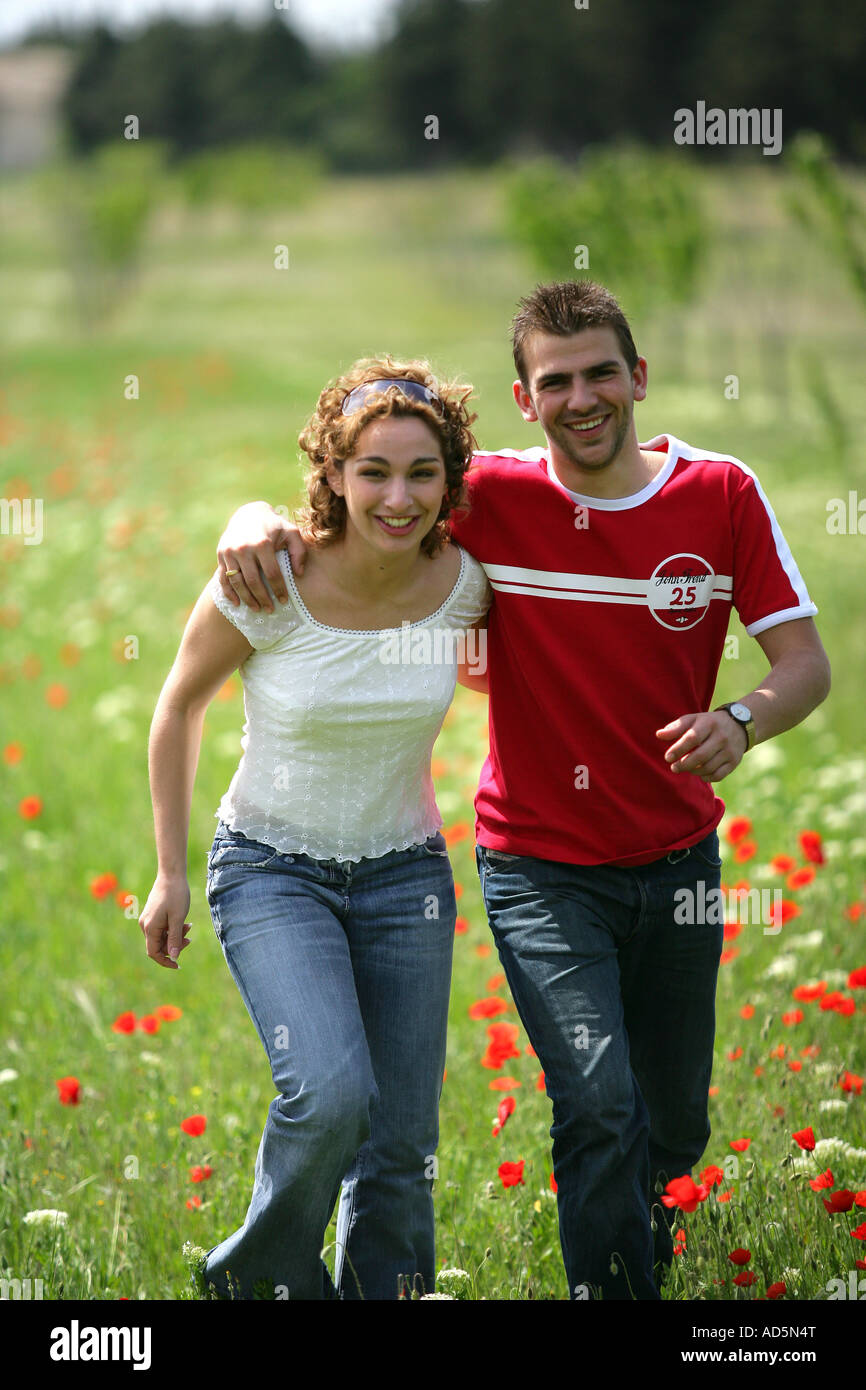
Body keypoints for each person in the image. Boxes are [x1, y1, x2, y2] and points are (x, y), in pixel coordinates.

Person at [213, 280, 831, 1301]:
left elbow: (802, 662)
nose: (581, 397)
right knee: (596, 1101)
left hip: (679, 860)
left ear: (637, 378)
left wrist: (740, 718)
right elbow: (361, 488)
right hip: (537, 864)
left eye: (599, 373)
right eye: (555, 382)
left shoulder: (718, 494)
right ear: (522, 398)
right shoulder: (487, 497)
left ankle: (656, 1269)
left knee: (671, 1120)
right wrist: (246, 515)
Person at [138, 357, 492, 1300]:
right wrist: (170, 874)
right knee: (330, 1095)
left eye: (423, 473)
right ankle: (260, 1278)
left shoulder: (466, 587)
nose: (398, 495)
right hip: (269, 869)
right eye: (373, 470)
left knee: (404, 1136)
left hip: (405, 876)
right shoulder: (270, 580)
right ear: (334, 472)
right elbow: (177, 708)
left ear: (450, 481)